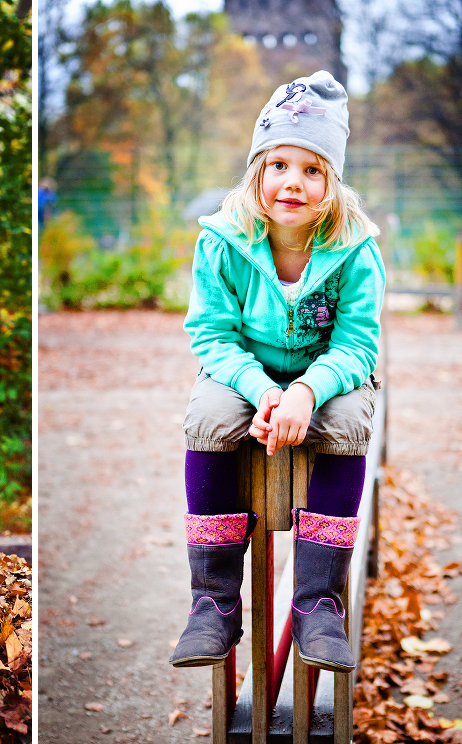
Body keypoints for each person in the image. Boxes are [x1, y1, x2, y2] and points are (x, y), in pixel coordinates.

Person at [168, 71, 385, 673]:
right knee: (209, 417)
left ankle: (319, 603)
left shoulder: (356, 249)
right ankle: (213, 600)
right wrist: (265, 392)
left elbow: (357, 345)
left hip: (328, 375)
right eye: (280, 165)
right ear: (257, 170)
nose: (293, 182)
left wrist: (307, 392)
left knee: (345, 422)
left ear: (332, 182)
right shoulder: (223, 239)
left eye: (312, 170)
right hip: (243, 371)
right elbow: (211, 335)